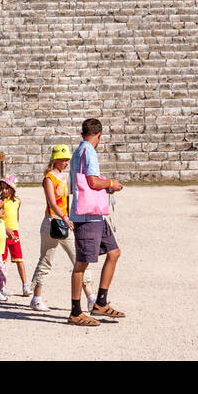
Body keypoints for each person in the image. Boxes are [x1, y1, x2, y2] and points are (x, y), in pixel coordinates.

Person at [67, 118, 124, 326]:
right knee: (81, 264)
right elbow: (92, 181)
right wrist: (111, 183)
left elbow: (80, 183)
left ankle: (100, 301)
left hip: (96, 214)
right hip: (87, 215)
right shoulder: (89, 151)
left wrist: (104, 186)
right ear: (100, 134)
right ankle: (75, 311)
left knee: (114, 252)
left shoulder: (78, 152)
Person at [29, 144, 95, 313]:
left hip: (66, 221)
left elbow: (75, 191)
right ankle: (36, 298)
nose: (66, 163)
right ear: (56, 160)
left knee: (79, 258)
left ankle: (90, 297)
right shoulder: (49, 178)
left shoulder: (65, 177)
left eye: (68, 160)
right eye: (64, 160)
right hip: (53, 221)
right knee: (46, 260)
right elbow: (52, 201)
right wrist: (65, 217)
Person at [0, 175, 31, 297]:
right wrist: (5, 229)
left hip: (14, 234)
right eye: (2, 188)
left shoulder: (18, 201)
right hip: (2, 234)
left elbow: (16, 216)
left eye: (7, 188)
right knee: (2, 261)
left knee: (19, 259)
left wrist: (14, 229)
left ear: (12, 189)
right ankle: (2, 286)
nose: (4, 191)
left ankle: (25, 286)